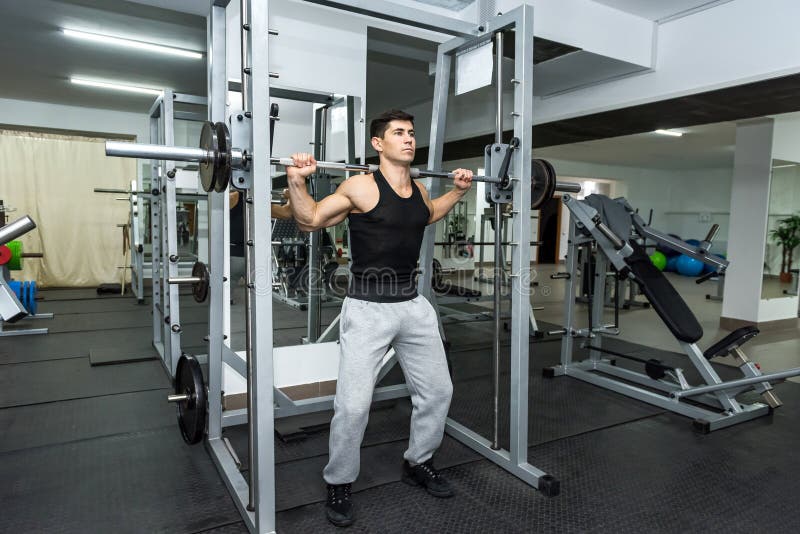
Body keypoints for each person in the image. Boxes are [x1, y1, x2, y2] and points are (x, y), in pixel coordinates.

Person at [285, 109, 473, 527]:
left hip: (414, 306)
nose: (409, 139)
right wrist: (297, 181)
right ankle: (339, 480)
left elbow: (428, 215)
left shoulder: (421, 190)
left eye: (411, 133)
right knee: (353, 406)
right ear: (377, 144)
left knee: (438, 392)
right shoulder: (360, 187)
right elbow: (310, 219)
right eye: (398, 133)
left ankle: (418, 460)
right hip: (367, 309)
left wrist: (458, 192)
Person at [229, 189, 292, 285]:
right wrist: (291, 196)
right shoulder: (258, 200)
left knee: (224, 295)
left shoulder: (231, 197)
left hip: (234, 256)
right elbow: (286, 213)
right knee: (260, 295)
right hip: (255, 257)